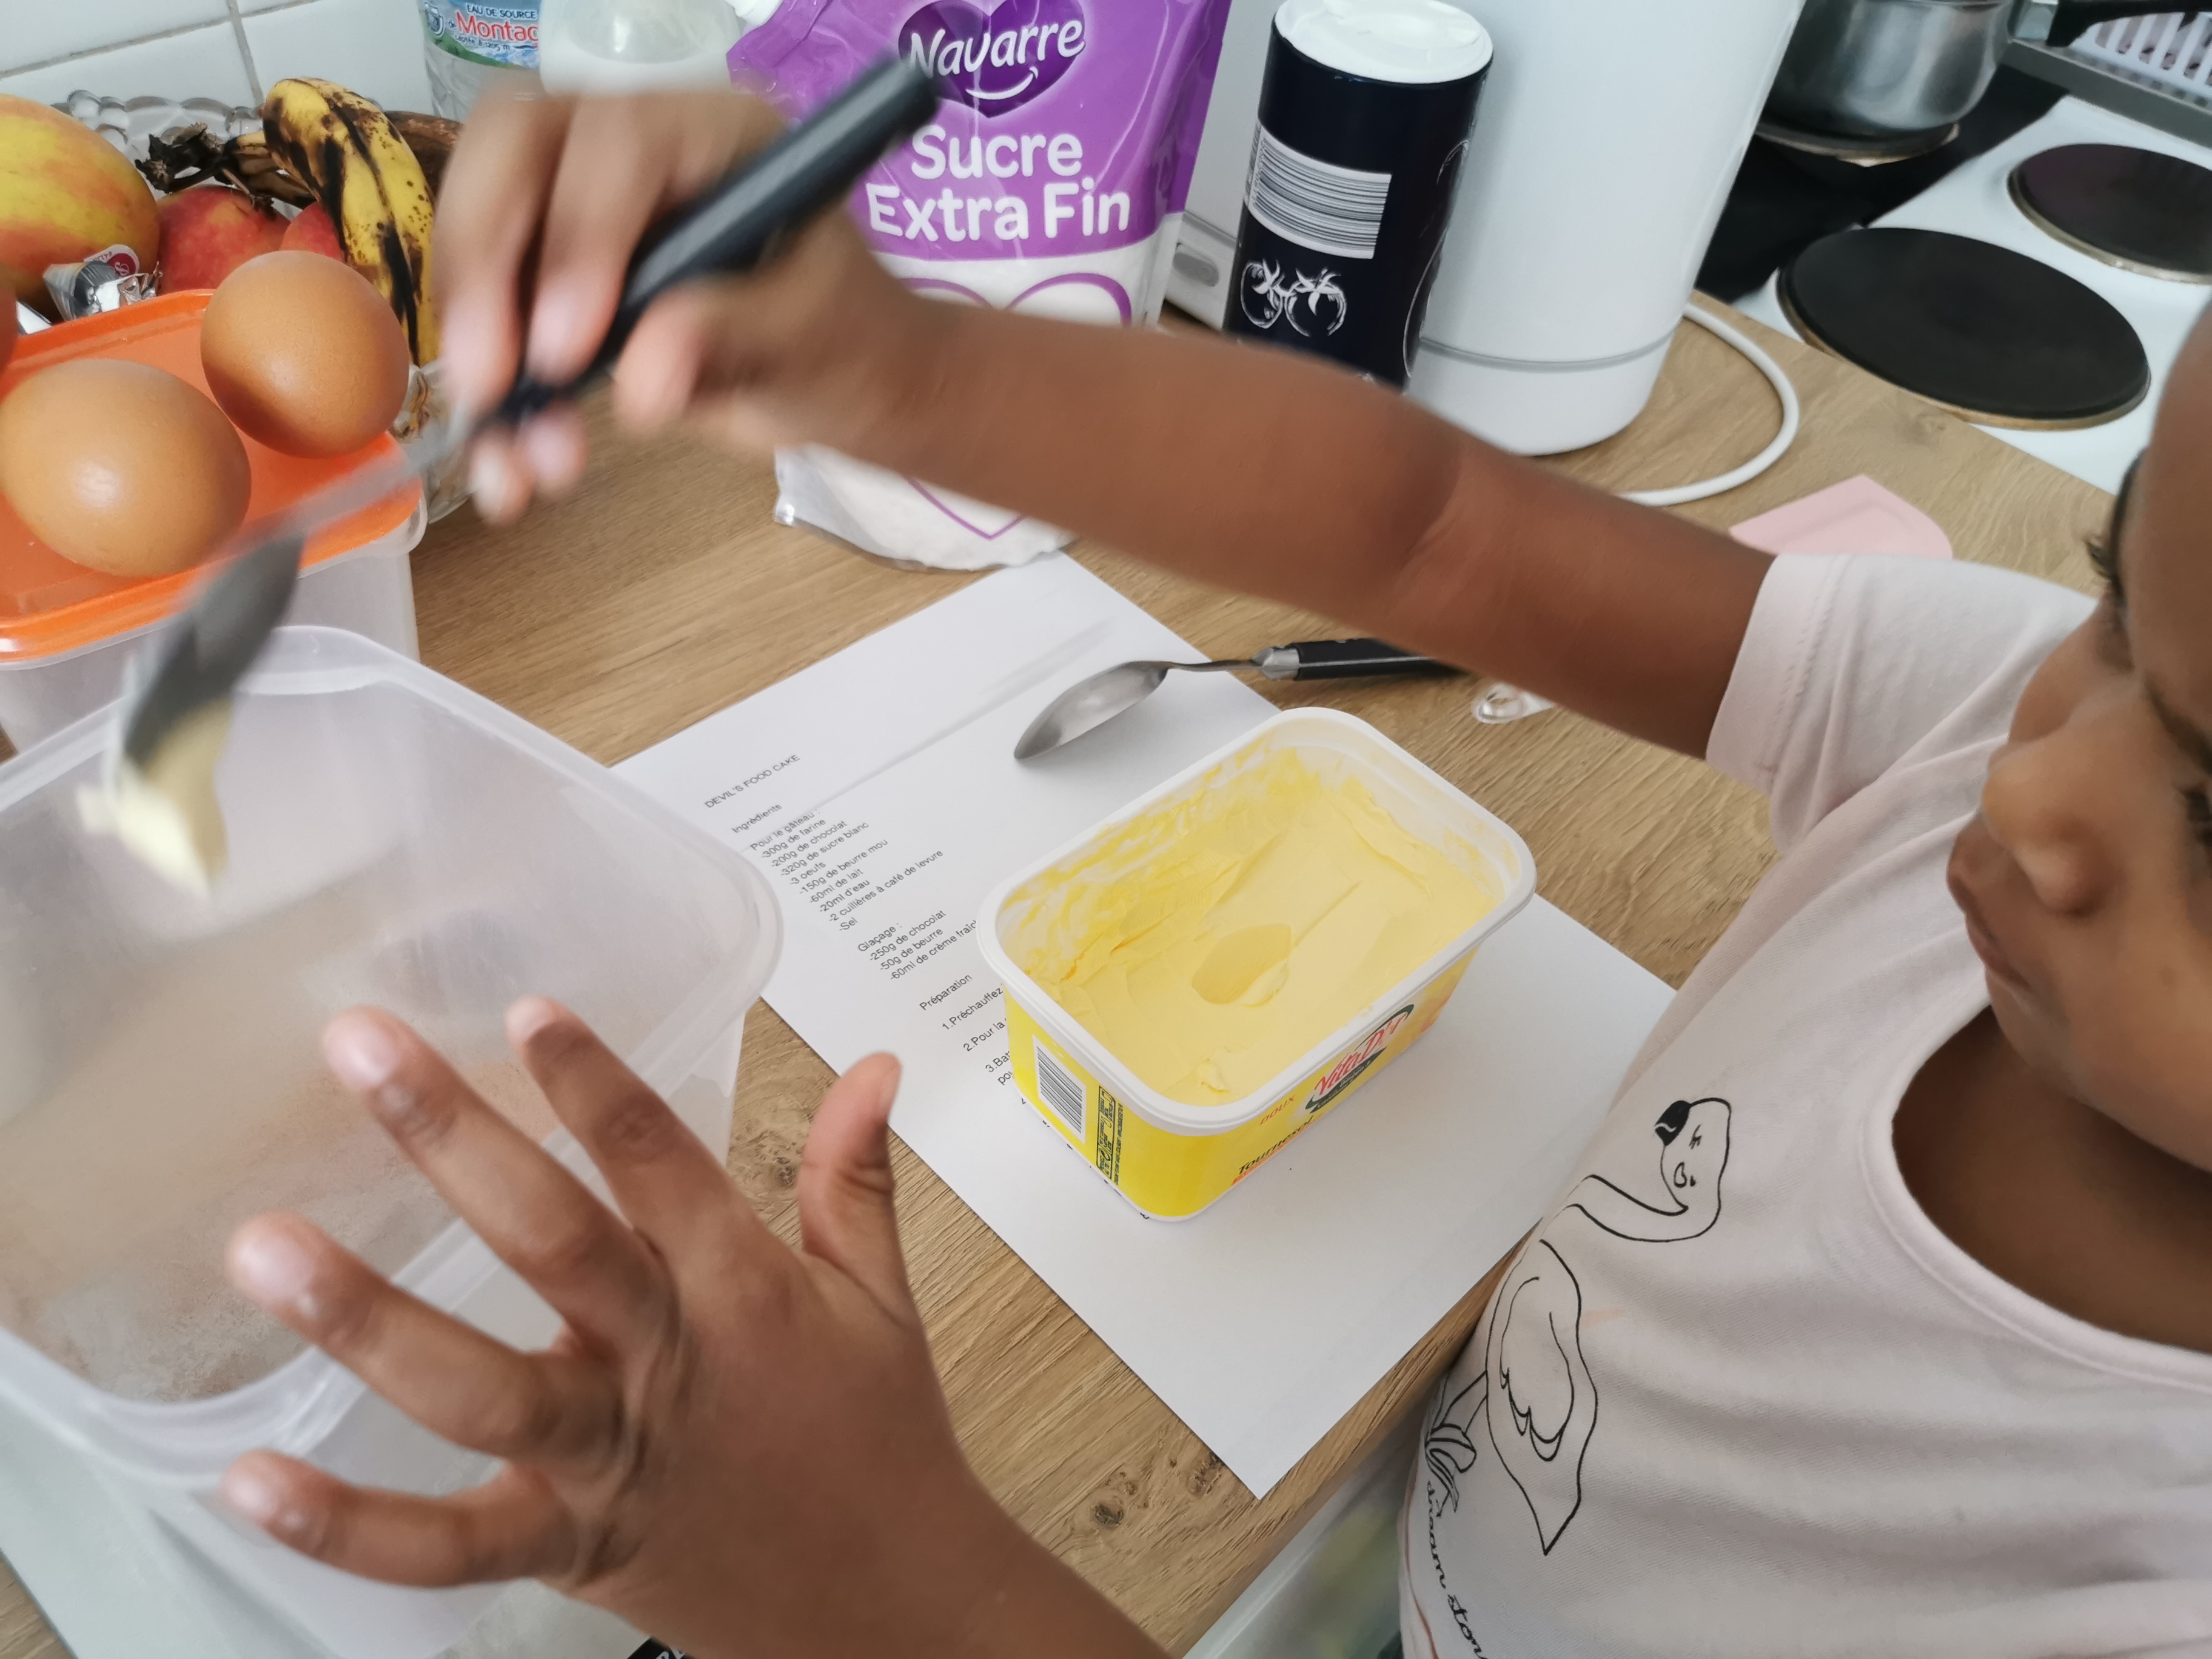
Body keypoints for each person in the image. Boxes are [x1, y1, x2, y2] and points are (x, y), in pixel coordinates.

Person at [216, 89, 2212, 1656]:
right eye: (2114, 605)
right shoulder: (1981, 724)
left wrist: (870, 1584)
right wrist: (901, 367)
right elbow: (1440, 534)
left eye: (2211, 819)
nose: (2039, 791)